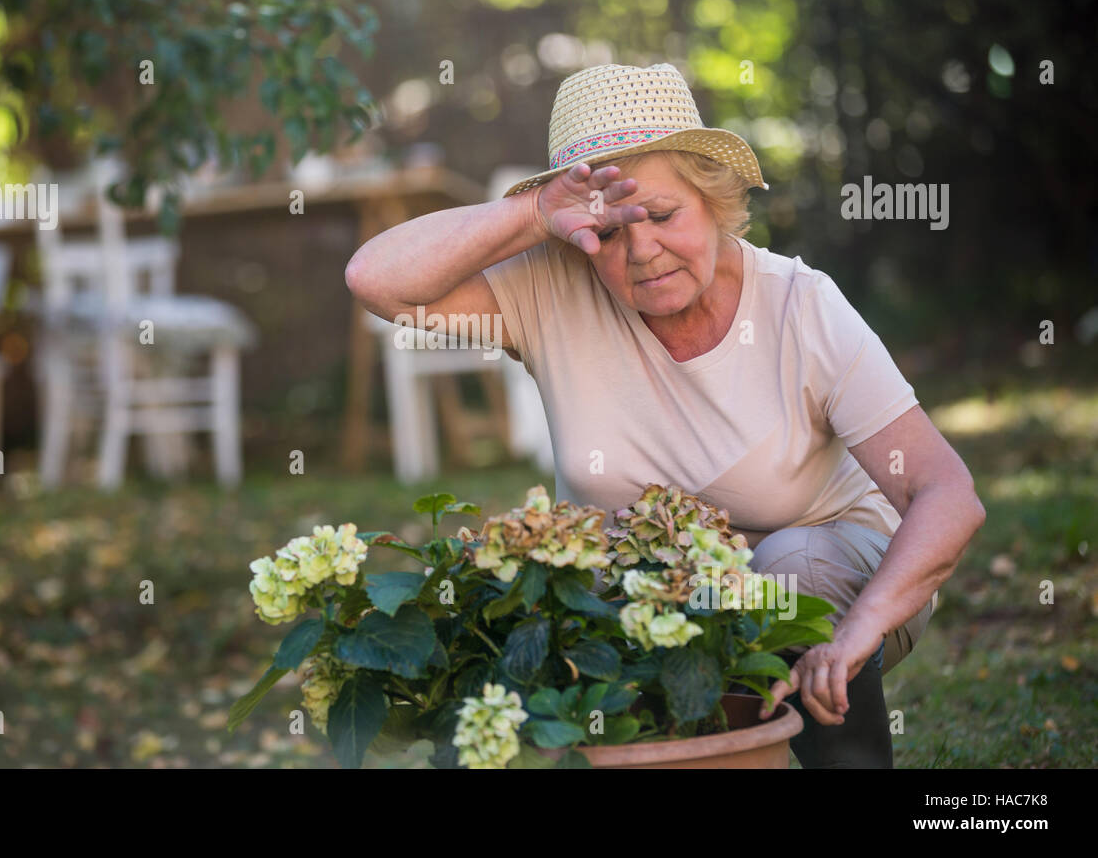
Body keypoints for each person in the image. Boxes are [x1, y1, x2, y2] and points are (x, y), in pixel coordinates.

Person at [345, 62, 985, 767]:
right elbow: (376, 280)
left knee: (787, 572)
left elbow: (947, 494)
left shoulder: (801, 305)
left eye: (660, 215)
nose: (641, 252)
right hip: (649, 601)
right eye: (609, 231)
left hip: (829, 582)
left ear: (712, 198)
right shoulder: (553, 288)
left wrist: (859, 630)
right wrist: (531, 214)